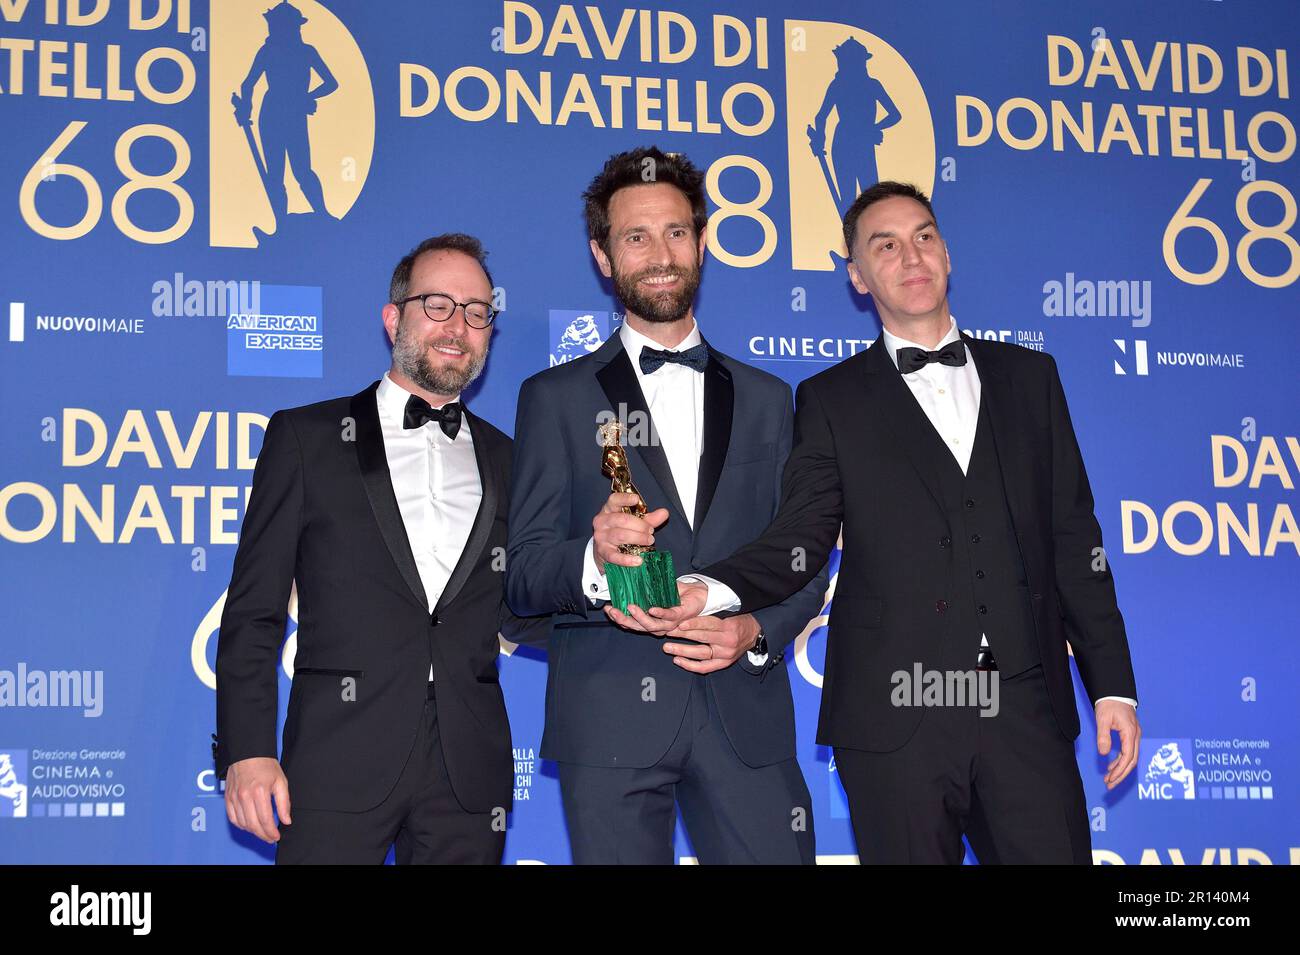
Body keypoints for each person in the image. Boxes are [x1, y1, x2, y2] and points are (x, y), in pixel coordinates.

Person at [630, 182, 1141, 864]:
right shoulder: (831, 399)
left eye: (924, 236)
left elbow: (1077, 541)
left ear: (948, 253)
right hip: (894, 721)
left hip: (1025, 711)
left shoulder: (1032, 378)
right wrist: (710, 588)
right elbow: (800, 540)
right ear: (857, 277)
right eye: (886, 245)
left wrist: (1112, 685)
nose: (912, 256)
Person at [506, 147, 829, 865]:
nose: (660, 254)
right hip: (609, 719)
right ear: (601, 255)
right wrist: (593, 561)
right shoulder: (554, 399)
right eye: (635, 236)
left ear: (704, 241)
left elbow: (806, 559)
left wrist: (753, 627)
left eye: (677, 232)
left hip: (745, 716)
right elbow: (521, 573)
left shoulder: (773, 400)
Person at [213, 233, 545, 864]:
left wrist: (615, 588)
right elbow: (253, 609)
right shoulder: (306, 438)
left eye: (478, 313)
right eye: (438, 305)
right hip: (334, 760)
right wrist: (247, 751)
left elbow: (522, 608)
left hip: (469, 771)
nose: (459, 327)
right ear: (394, 317)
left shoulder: (511, 459)